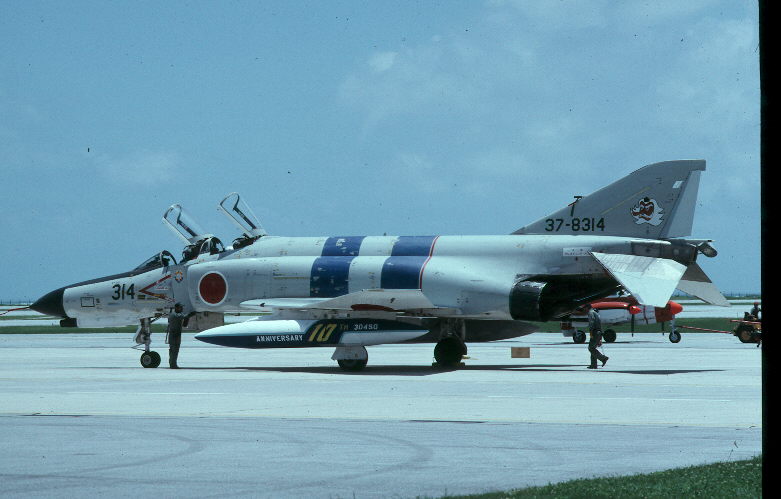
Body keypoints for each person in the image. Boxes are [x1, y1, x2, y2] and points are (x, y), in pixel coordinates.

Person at [167, 303, 195, 369]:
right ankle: (173, 365)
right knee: (174, 351)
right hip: (174, 336)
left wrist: (188, 316)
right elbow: (184, 317)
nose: (182, 309)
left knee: (174, 351)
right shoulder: (174, 315)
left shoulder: (175, 314)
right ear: (176, 308)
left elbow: (184, 324)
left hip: (176, 335)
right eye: (180, 307)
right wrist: (191, 314)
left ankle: (172, 364)